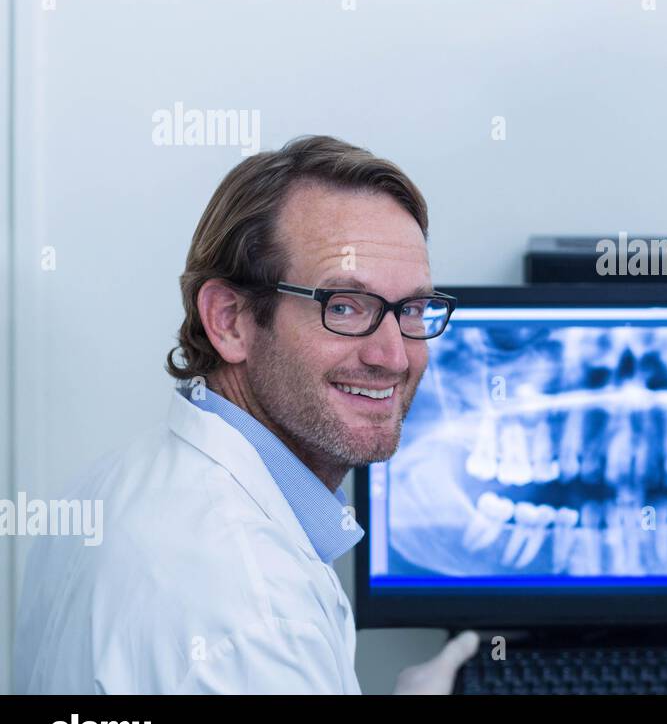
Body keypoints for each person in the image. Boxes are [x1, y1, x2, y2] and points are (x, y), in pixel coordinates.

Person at [14, 135, 479, 693]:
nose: (393, 356)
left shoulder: (108, 485)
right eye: (345, 307)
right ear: (229, 319)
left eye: (411, 309)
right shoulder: (252, 614)